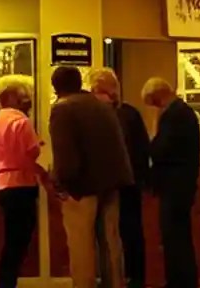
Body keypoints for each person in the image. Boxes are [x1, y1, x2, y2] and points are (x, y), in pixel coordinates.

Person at [49, 65, 134, 288]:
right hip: (112, 182)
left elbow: (65, 153)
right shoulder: (102, 105)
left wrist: (63, 184)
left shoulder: (62, 108)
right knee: (110, 243)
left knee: (81, 246)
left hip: (82, 186)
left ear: (56, 87)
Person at [87, 67, 151, 288]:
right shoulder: (129, 114)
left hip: (113, 182)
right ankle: (133, 276)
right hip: (129, 181)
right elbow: (143, 149)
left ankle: (120, 276)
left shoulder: (105, 115)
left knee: (113, 232)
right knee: (129, 230)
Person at [0, 74, 47, 288]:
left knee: (11, 239)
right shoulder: (22, 121)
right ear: (11, 96)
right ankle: (7, 283)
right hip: (22, 184)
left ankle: (5, 282)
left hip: (3, 183)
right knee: (20, 240)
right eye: (23, 95)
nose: (27, 100)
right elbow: (34, 151)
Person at [141, 77, 200, 288]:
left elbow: (161, 149)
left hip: (174, 187)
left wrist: (148, 146)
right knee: (180, 237)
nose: (154, 108)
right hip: (182, 186)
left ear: (159, 96)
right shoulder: (185, 113)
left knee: (174, 238)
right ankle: (183, 280)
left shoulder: (174, 115)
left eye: (153, 103)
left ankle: (178, 281)